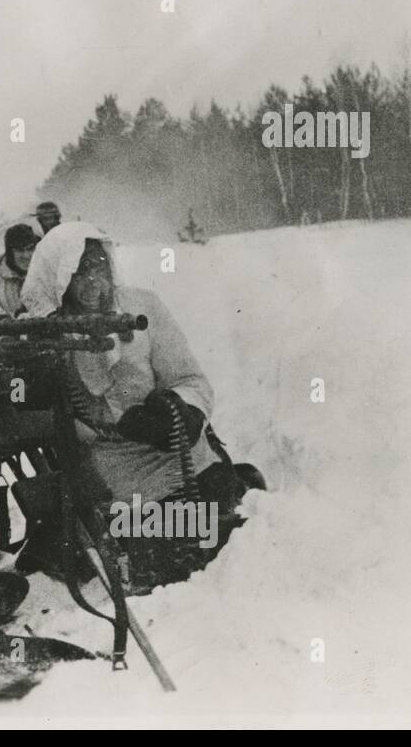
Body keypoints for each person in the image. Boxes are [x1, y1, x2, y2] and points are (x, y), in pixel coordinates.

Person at [18, 222, 265, 588]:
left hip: (178, 453)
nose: (93, 281)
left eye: (100, 267)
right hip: (112, 465)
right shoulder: (40, 332)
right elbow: (22, 404)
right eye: (80, 272)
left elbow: (192, 381)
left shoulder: (141, 308)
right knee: (158, 550)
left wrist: (176, 414)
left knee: (219, 526)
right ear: (58, 277)